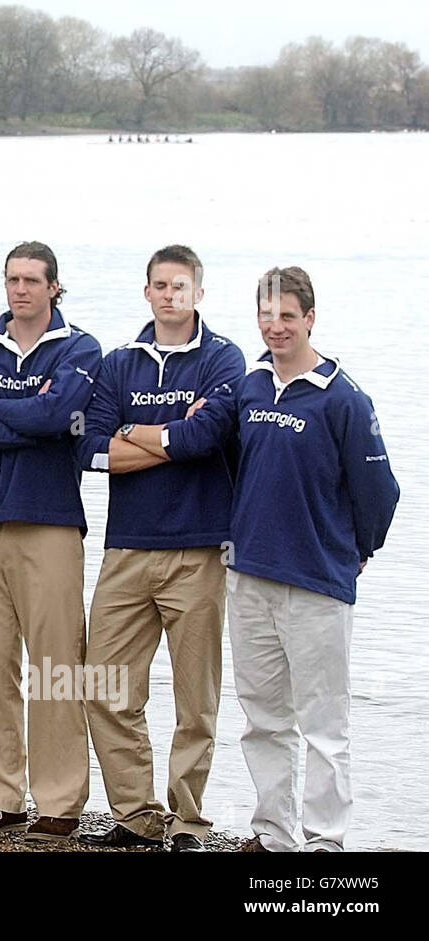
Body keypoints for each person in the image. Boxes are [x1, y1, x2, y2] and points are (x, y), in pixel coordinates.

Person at [125, 266, 399, 852]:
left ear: (310, 319)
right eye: (267, 316)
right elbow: (206, 449)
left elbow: (380, 492)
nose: (276, 328)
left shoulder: (343, 398)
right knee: (264, 719)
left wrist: (359, 552)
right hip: (249, 574)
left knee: (324, 726)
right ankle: (272, 834)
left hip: (317, 583)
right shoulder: (249, 388)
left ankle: (325, 842)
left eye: (288, 317)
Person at [74, 245, 245, 852]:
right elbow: (89, 450)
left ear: (198, 292)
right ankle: (136, 816)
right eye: (159, 286)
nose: (169, 295)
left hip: (199, 549)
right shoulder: (120, 364)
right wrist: (168, 437)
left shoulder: (224, 358)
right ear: (145, 292)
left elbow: (207, 437)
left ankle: (188, 822)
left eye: (180, 286)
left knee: (196, 697)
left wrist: (135, 433)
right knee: (103, 684)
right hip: (126, 549)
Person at [0, 241, 102, 841]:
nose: (21, 289)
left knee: (58, 666)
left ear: (54, 287)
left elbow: (59, 416)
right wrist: (22, 412)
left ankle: (59, 802)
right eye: (13, 279)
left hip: (52, 523)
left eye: (33, 280)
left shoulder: (80, 347)